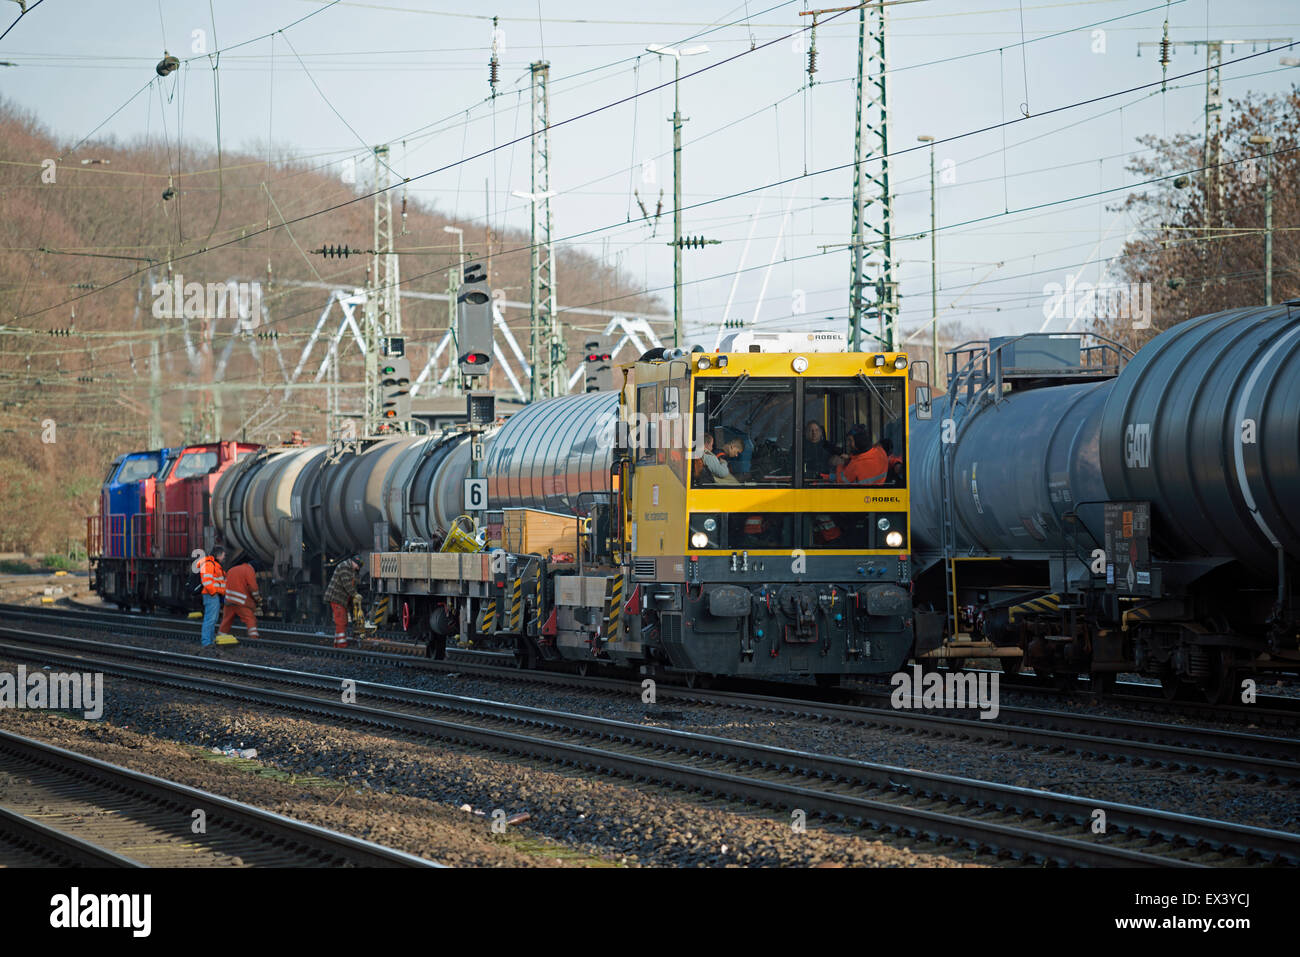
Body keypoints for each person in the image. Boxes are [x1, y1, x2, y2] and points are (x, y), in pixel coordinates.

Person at [218, 559, 261, 641]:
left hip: (229, 600)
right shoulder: (249, 570)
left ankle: (220, 638)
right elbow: (253, 587)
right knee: (250, 618)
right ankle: (254, 638)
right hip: (240, 601)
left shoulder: (232, 569)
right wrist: (257, 599)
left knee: (226, 620)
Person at [324, 555, 362, 648]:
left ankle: (337, 644)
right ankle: (342, 645)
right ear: (354, 562)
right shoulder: (344, 567)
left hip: (341, 599)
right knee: (341, 621)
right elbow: (347, 584)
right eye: (358, 566)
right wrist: (355, 594)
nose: (358, 568)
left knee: (341, 622)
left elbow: (353, 583)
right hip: (337, 598)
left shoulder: (350, 569)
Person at [199, 546, 227, 648]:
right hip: (211, 595)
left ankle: (209, 642)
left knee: (213, 619)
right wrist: (214, 592)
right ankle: (206, 642)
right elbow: (206, 582)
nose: (224, 557)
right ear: (218, 555)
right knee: (210, 619)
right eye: (223, 555)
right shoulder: (209, 565)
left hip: (214, 595)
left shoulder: (214, 565)